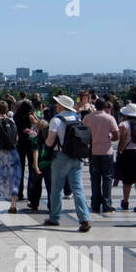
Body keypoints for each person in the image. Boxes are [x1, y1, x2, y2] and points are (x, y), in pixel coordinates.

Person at [44, 94, 91, 232]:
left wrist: (44, 141)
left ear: (62, 106)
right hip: (77, 157)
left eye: (58, 103)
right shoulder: (77, 118)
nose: (56, 105)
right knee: (78, 189)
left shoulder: (56, 120)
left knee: (57, 189)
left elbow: (50, 141)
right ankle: (84, 218)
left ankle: (55, 217)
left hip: (61, 157)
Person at [83, 97, 119, 215]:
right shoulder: (109, 118)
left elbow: (84, 133)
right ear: (104, 106)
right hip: (106, 152)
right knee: (107, 178)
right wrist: (110, 137)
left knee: (95, 179)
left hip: (93, 151)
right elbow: (116, 135)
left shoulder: (87, 118)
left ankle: (95, 204)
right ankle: (107, 204)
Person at [116, 103, 136, 211]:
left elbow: (123, 139)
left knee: (127, 179)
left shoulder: (123, 124)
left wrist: (119, 151)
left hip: (128, 153)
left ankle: (125, 201)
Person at [14, 95, 35, 201]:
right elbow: (38, 125)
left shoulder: (16, 116)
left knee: (20, 169)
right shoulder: (29, 117)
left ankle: (19, 192)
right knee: (32, 169)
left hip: (19, 144)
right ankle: (31, 193)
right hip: (30, 144)